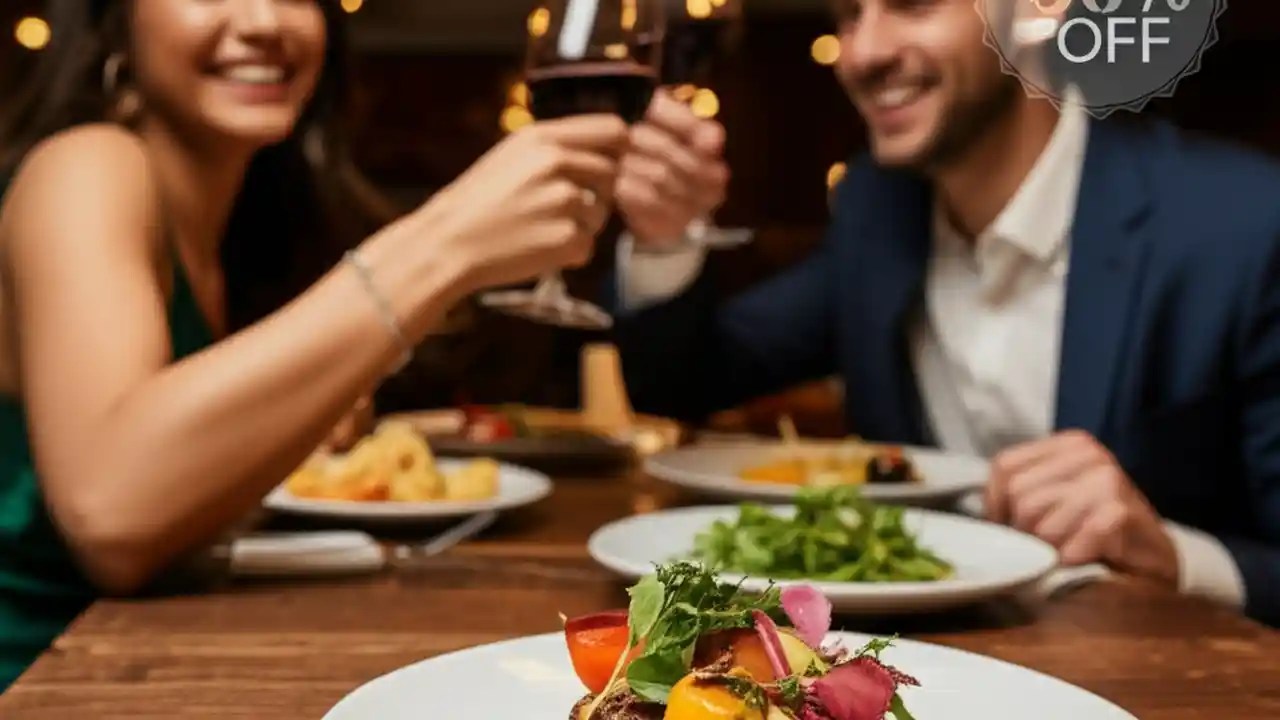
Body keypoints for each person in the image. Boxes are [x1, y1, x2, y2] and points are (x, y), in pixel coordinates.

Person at [0, 0, 727, 688]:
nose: (264, 21)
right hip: (39, 677)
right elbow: (110, 510)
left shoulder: (253, 209)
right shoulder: (87, 164)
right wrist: (443, 243)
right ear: (115, 21)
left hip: (156, 656)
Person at [611, 0, 1280, 627]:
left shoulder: (1241, 227)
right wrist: (664, 238)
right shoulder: (878, 210)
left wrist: (1173, 555)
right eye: (849, 12)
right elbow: (687, 378)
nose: (860, 51)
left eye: (912, 2)